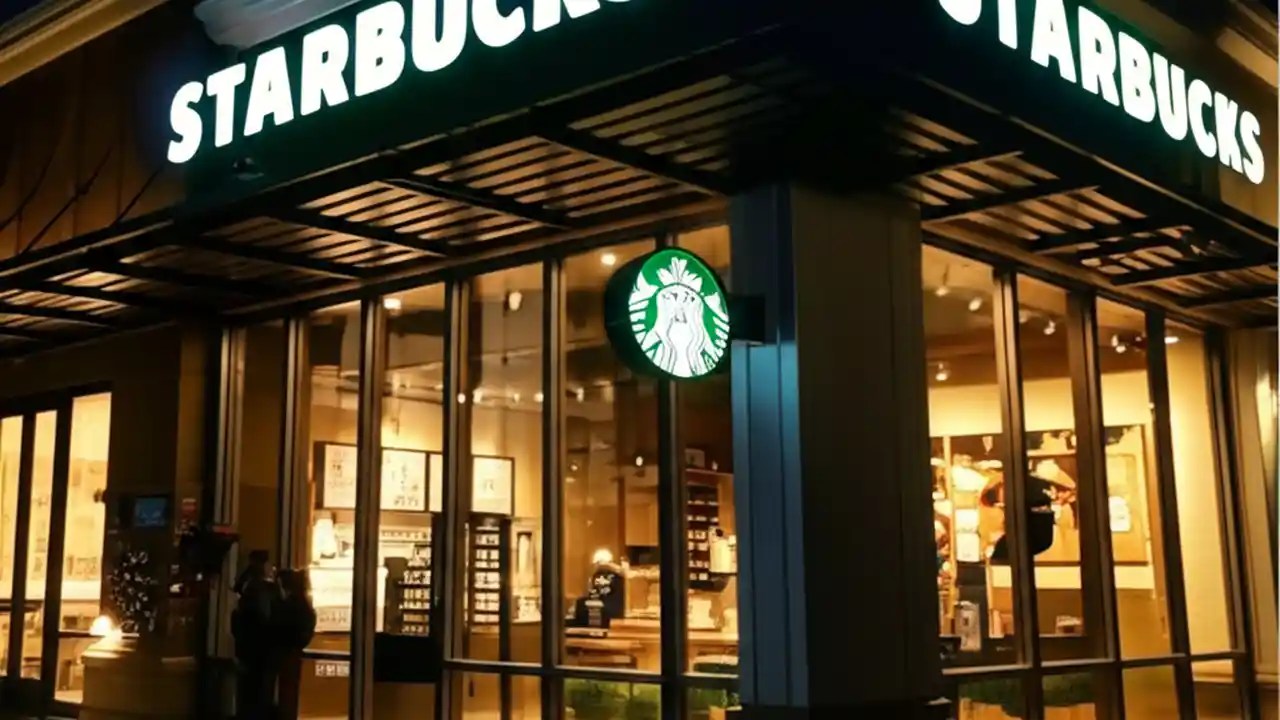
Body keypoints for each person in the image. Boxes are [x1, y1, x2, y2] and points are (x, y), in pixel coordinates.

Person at [232, 551, 279, 719]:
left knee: (249, 694)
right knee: (259, 695)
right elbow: (263, 620)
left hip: (250, 653)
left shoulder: (250, 588)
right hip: (260, 654)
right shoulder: (263, 590)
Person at [274, 569, 317, 719]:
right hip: (291, 653)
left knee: (285, 694)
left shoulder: (290, 605)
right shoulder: (304, 604)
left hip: (286, 654)